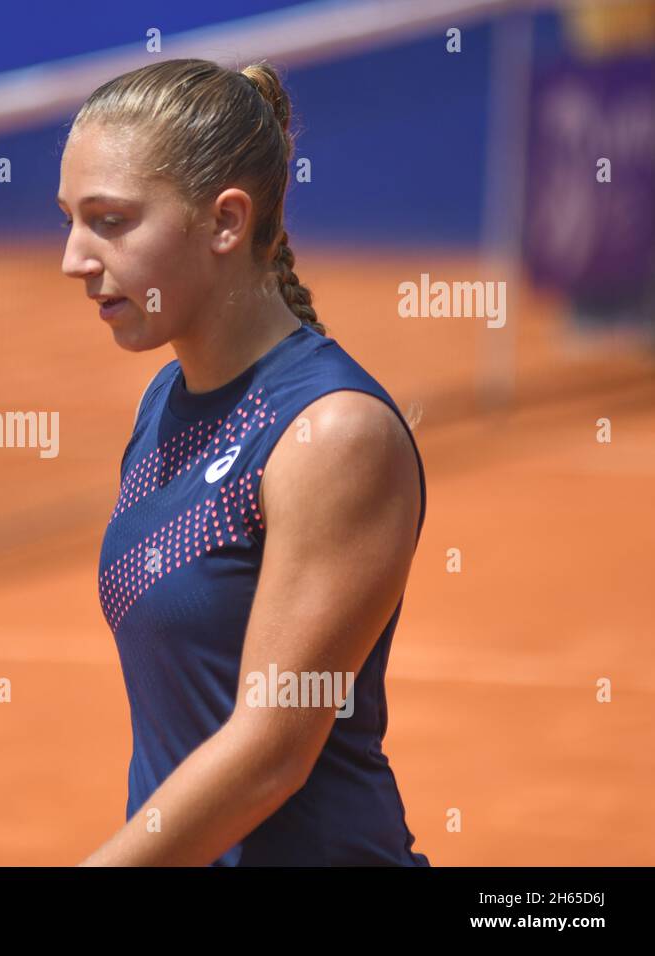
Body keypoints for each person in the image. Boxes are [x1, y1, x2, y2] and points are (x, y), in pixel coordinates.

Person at [57, 58, 429, 866]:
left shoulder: (333, 436)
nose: (75, 258)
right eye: (70, 220)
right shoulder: (163, 401)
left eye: (110, 221)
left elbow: (270, 754)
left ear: (227, 221)